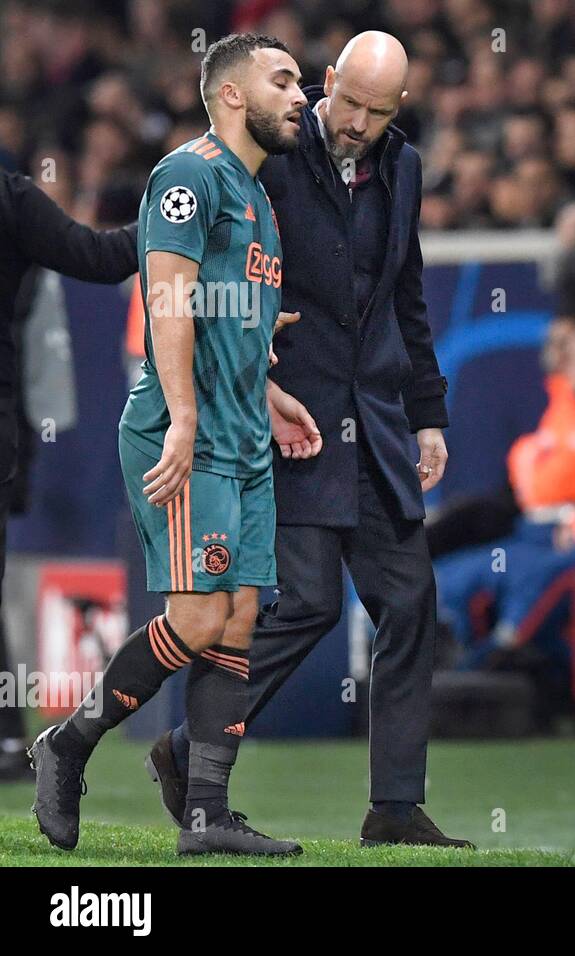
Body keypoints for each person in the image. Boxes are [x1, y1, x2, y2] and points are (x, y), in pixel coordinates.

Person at [146, 31, 470, 850]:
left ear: (399, 109)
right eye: (349, 101)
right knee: (307, 604)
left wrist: (428, 413)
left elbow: (405, 294)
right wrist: (248, 370)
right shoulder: (273, 151)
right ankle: (188, 748)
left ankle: (394, 807)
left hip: (377, 421)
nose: (357, 122)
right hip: (291, 419)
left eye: (377, 111)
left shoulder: (404, 168)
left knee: (410, 603)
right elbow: (211, 270)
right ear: (329, 81)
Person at [31, 33, 313, 856]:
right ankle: (68, 744)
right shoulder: (189, 175)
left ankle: (207, 816)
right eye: (283, 81)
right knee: (197, 616)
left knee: (241, 615)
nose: (301, 96)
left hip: (242, 432)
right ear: (231, 94)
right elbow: (166, 301)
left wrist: (269, 393)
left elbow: (233, 323)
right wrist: (184, 418)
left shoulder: (259, 198)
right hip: (185, 430)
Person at [0, 171, 138, 781]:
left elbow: (99, 257)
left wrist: (180, 207)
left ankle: (8, 737)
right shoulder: (13, 198)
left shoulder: (14, 200)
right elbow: (99, 257)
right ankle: (8, 738)